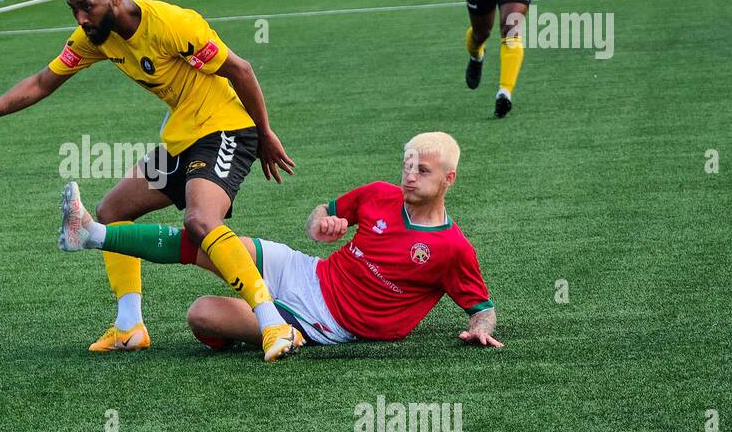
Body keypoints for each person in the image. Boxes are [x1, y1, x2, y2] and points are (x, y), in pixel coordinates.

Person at [0, 0, 298, 356]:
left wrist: (265, 133)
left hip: (225, 129)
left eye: (86, 7)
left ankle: (273, 323)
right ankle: (129, 326)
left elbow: (241, 69)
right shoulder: (95, 37)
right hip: (181, 139)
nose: (80, 18)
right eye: (73, 9)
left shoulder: (173, 24)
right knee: (113, 209)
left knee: (200, 220)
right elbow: (41, 82)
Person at [58, 132, 501, 361]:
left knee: (200, 316)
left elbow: (480, 305)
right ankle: (92, 233)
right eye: (406, 166)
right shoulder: (377, 193)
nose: (408, 176)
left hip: (320, 321)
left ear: (448, 179)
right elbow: (318, 214)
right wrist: (320, 225)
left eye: (421, 171)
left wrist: (481, 327)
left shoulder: (451, 247)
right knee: (202, 235)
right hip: (305, 270)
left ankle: (267, 329)